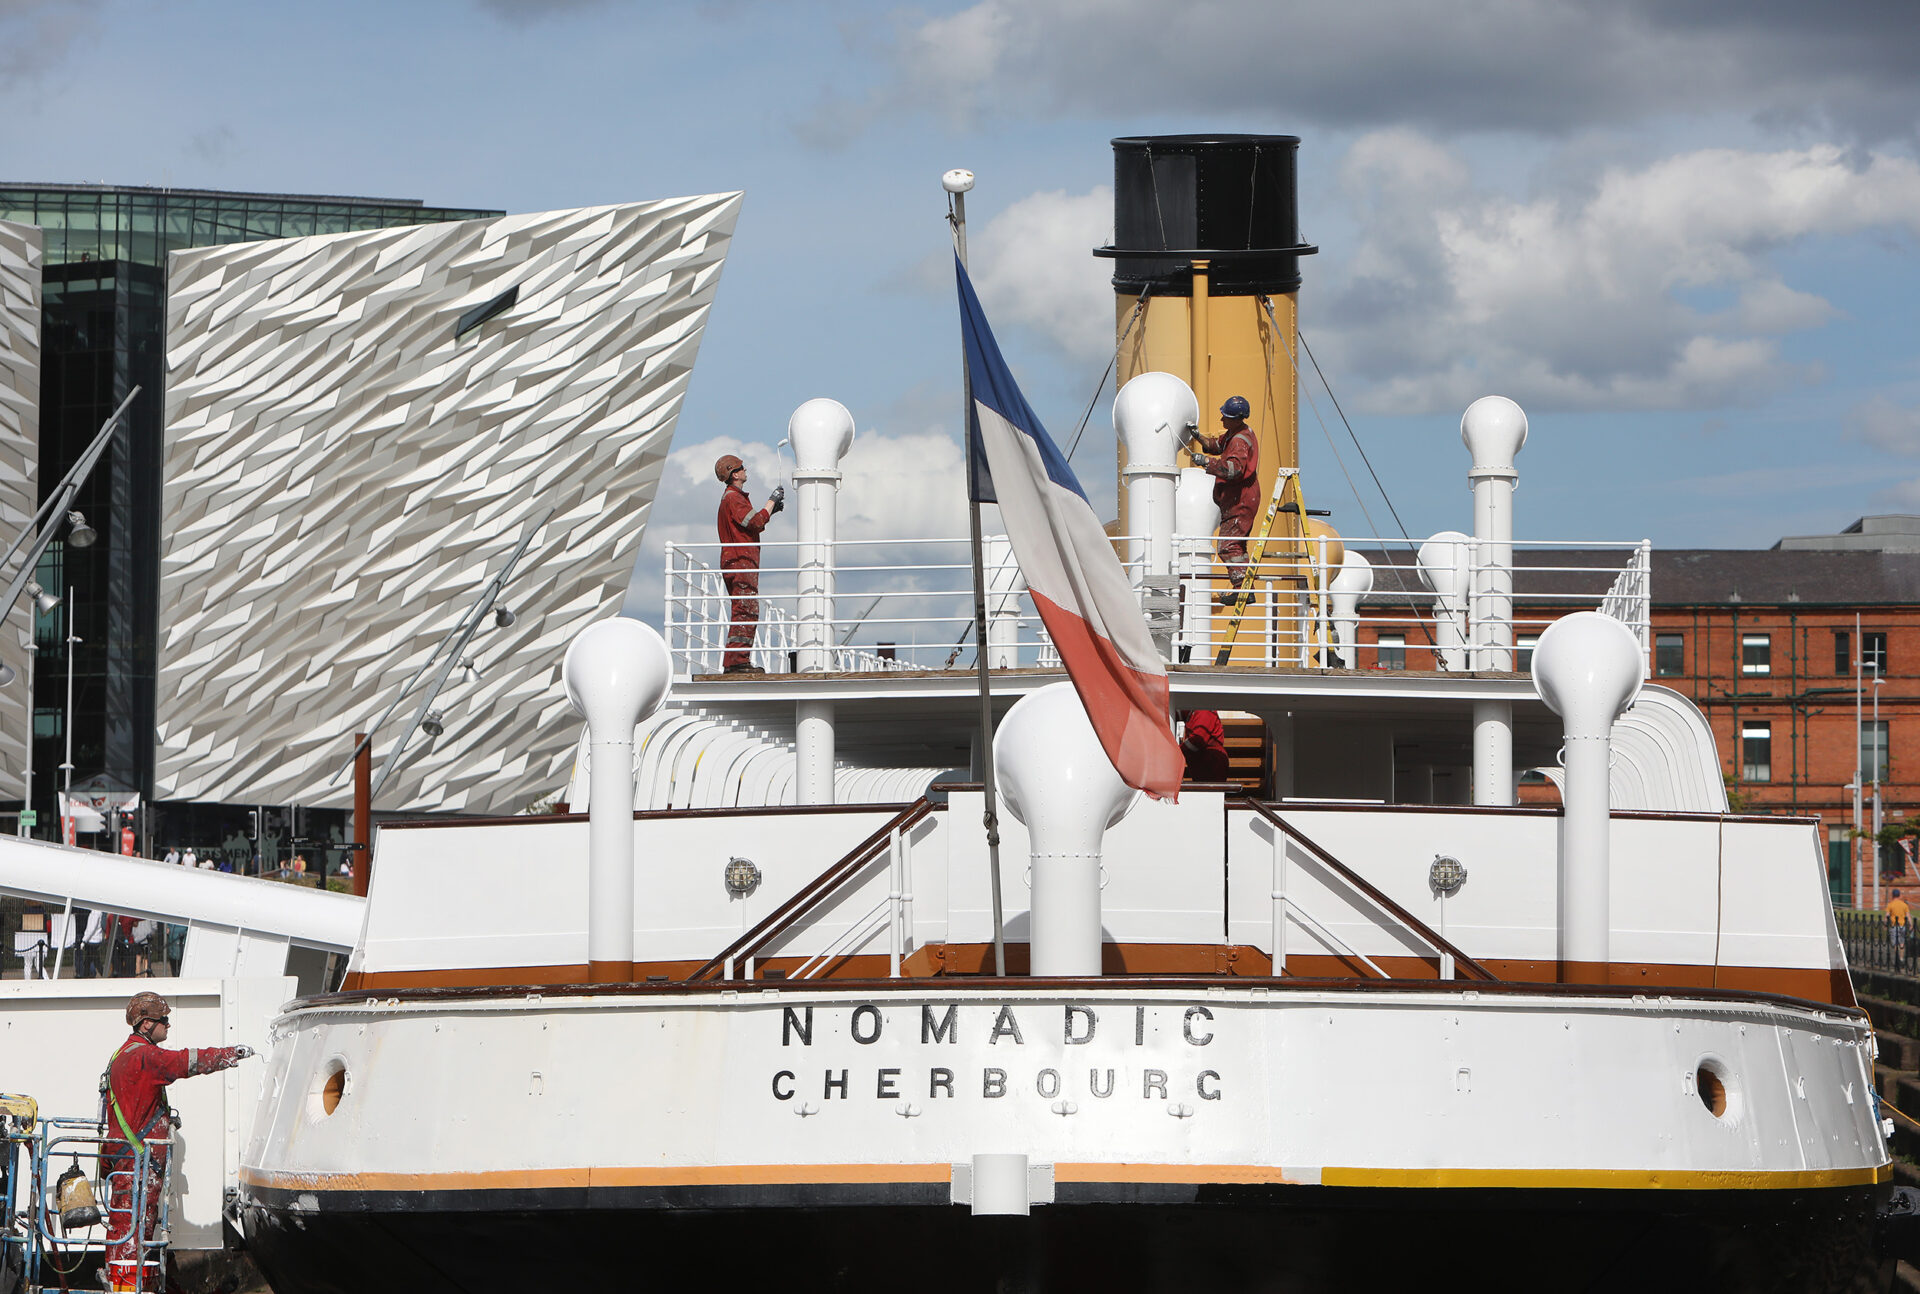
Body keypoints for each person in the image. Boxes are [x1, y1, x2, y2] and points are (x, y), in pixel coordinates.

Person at [102, 992, 253, 1291]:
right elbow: (185, 1061)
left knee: (131, 1229)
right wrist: (230, 1054)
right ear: (146, 1024)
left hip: (127, 1160)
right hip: (138, 1164)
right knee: (132, 1233)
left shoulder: (121, 1055)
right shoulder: (144, 1057)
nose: (168, 1025)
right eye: (164, 1020)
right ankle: (126, 1286)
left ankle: (133, 1283)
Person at [715, 454, 784, 675]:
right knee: (746, 609)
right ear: (734, 474)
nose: (746, 470)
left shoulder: (731, 498)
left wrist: (770, 511)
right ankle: (737, 661)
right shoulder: (734, 498)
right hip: (741, 561)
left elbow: (750, 522)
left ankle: (736, 660)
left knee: (742, 608)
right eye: (742, 468)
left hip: (736, 560)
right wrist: (771, 502)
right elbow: (755, 522)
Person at [1188, 395, 1261, 602]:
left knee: (1228, 546)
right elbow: (1217, 445)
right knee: (1237, 545)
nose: (1222, 420)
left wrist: (1206, 463)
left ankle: (1242, 590)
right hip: (1238, 498)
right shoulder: (1235, 434)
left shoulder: (1239, 441)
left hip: (1240, 499)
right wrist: (1198, 437)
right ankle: (1245, 588)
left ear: (1236, 419)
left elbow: (1234, 470)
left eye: (1225, 417)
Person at [1180, 709, 1231, 783]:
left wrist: (1177, 751)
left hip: (1211, 761)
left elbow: (1198, 740)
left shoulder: (1204, 711)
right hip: (1202, 760)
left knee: (1209, 789)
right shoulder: (1196, 710)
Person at [1891, 889, 1910, 971]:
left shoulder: (1890, 904)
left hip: (1894, 926)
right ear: (1899, 895)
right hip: (1902, 926)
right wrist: (1911, 924)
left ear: (1892, 895)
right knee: (1902, 943)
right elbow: (1908, 915)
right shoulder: (1904, 905)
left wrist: (1885, 924)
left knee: (1895, 943)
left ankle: (1897, 958)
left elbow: (1887, 915)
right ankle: (1901, 958)